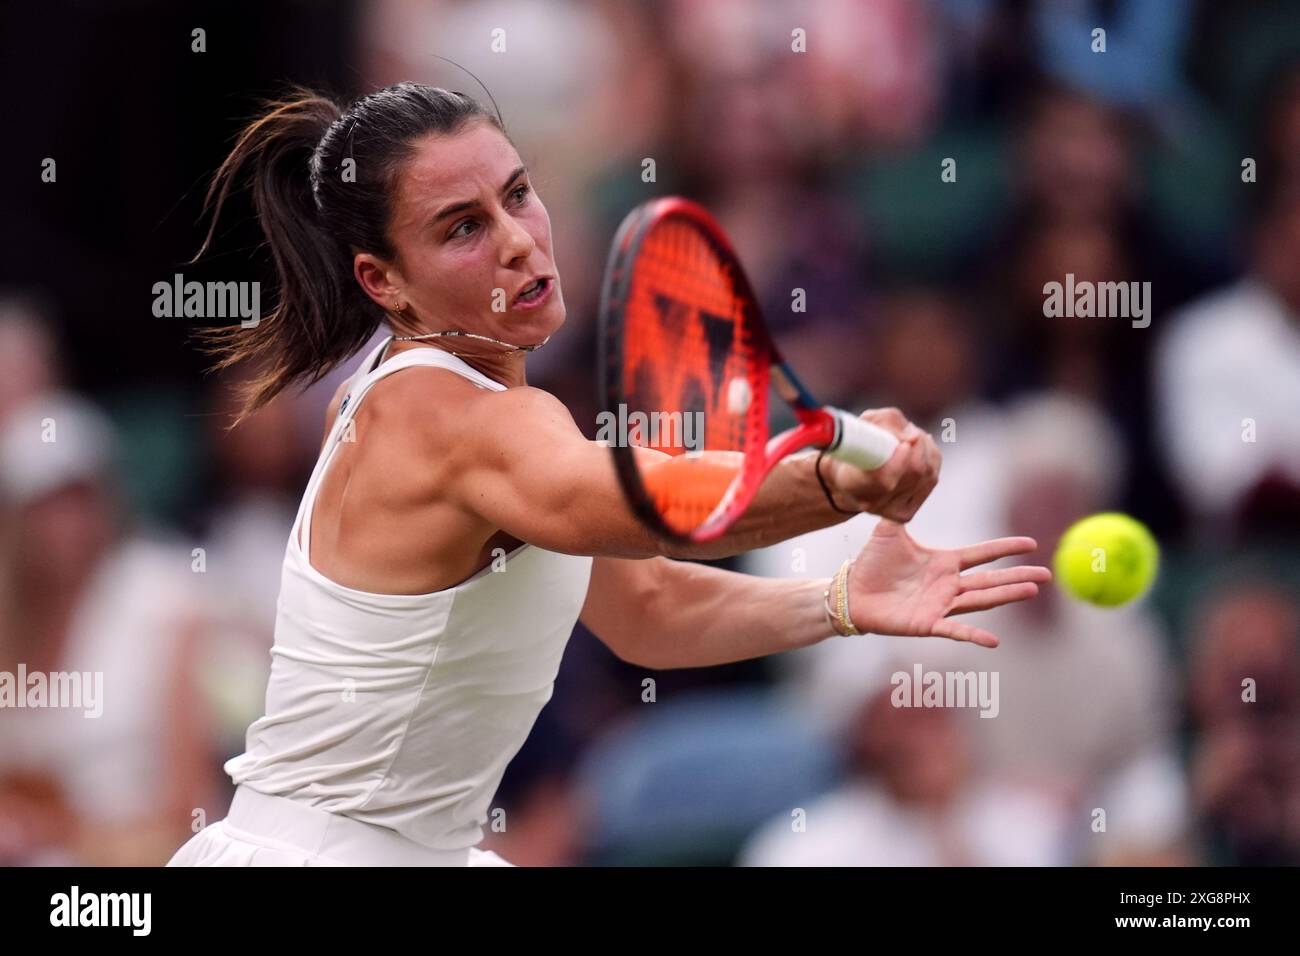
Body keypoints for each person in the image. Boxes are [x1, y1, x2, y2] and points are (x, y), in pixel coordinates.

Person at [166, 82, 1049, 867]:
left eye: (518, 194)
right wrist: (835, 484)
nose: (518, 241)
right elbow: (655, 502)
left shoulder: (473, 415)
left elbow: (649, 610)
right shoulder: (443, 419)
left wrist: (840, 599)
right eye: (464, 227)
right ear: (384, 281)